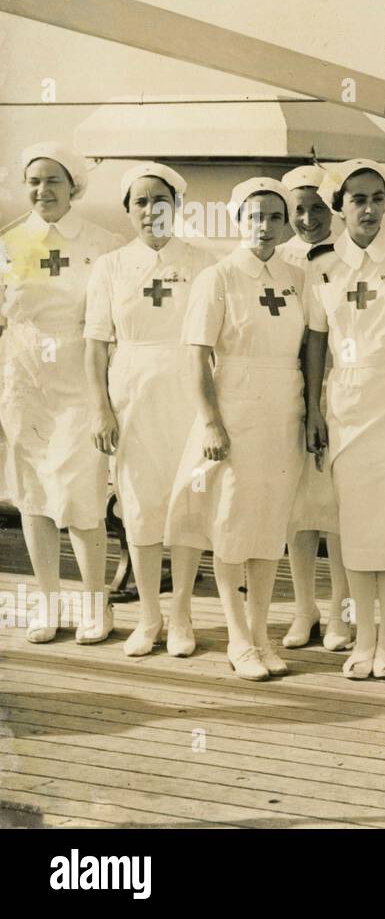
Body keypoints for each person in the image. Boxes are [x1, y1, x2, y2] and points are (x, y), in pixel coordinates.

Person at [163, 178, 306, 680]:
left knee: (268, 526)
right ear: (237, 220)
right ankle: (238, 638)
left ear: (285, 222)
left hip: (284, 412)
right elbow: (197, 357)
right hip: (235, 412)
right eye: (253, 216)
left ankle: (262, 634)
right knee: (230, 522)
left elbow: (306, 351)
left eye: (273, 217)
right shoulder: (218, 277)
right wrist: (210, 422)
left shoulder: (296, 277)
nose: (263, 226)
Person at [84, 163, 213, 657]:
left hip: (188, 393)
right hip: (131, 394)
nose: (150, 210)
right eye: (140, 201)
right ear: (128, 210)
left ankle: (180, 614)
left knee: (185, 506)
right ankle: (149, 618)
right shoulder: (111, 267)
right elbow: (96, 346)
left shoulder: (203, 263)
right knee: (138, 507)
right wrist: (101, 410)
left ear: (176, 207)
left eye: (160, 200)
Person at [304, 159, 385, 680]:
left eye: (378, 197)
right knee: (353, 526)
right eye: (358, 199)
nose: (370, 208)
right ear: (341, 208)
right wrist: (312, 409)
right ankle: (364, 636)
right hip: (347, 402)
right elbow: (316, 341)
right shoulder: (321, 264)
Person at [1, 143, 119, 644]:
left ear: (73, 185)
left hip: (79, 379)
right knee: (32, 496)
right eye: (34, 181)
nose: (42, 190)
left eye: (53, 180)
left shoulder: (103, 243)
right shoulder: (9, 242)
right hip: (23, 380)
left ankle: (97, 605)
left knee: (79, 495)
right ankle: (47, 604)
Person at [278, 165, 350, 652]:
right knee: (296, 508)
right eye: (298, 209)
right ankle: (305, 607)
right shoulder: (277, 259)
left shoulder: (345, 258)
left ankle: (342, 611)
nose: (308, 218)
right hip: (286, 394)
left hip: (336, 390)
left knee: (340, 508)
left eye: (317, 208)